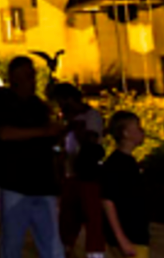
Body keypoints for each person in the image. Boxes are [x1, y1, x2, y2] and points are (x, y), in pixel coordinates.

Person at [0, 55, 65, 258]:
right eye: (28, 75)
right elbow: (4, 133)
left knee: (52, 245)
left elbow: (51, 143)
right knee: (12, 244)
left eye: (33, 75)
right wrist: (45, 132)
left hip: (43, 183)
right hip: (15, 183)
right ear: (14, 77)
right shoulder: (0, 99)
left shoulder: (38, 106)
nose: (32, 80)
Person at [50, 83, 106, 258]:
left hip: (87, 174)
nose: (60, 107)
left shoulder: (92, 116)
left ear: (70, 99)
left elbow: (91, 142)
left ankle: (95, 253)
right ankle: (64, 249)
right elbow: (59, 146)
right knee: (67, 217)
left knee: (92, 216)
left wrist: (74, 126)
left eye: (62, 102)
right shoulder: (67, 119)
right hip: (69, 174)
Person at [100, 111, 149, 258]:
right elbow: (107, 200)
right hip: (130, 237)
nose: (142, 131)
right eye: (138, 127)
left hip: (134, 236)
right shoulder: (117, 165)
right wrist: (121, 239)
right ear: (126, 133)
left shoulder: (128, 162)